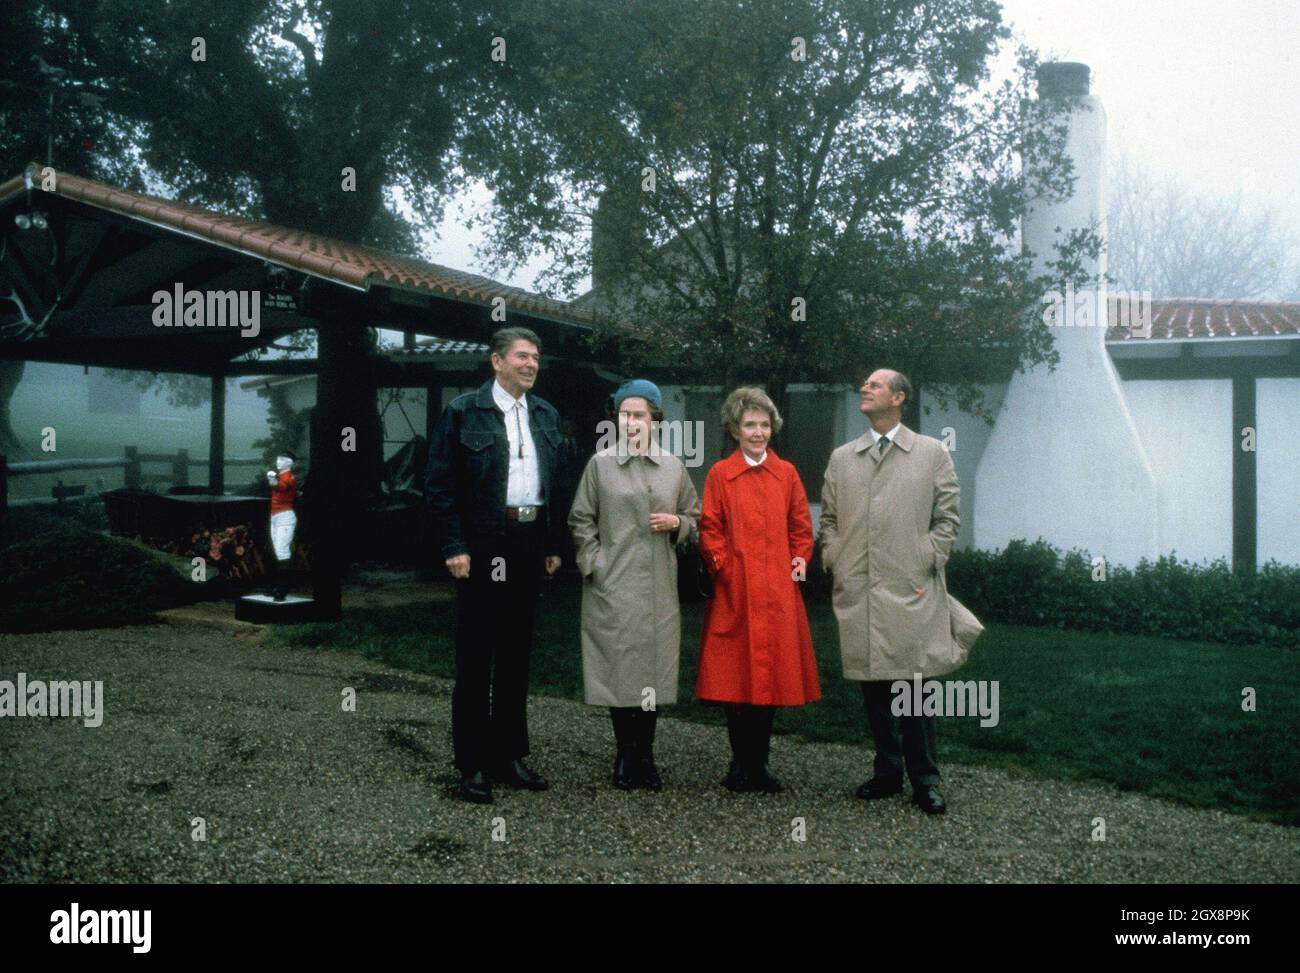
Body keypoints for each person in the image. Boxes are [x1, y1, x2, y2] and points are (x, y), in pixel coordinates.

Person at [424, 326, 565, 804]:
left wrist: (551, 542)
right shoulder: (464, 412)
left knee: (516, 655)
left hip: (529, 542)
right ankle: (471, 765)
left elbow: (556, 487)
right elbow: (439, 485)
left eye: (536, 357)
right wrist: (453, 545)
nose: (531, 364)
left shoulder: (546, 415)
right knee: (475, 657)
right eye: (522, 356)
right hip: (483, 544)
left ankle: (509, 756)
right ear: (496, 361)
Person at [818, 368, 962, 814]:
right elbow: (829, 520)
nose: (864, 387)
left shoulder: (931, 453)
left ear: (898, 397)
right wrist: (835, 557)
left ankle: (925, 778)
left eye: (875, 385)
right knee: (874, 687)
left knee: (914, 687)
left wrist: (927, 556)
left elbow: (948, 519)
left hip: (911, 589)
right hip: (860, 589)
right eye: (863, 383)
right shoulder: (844, 458)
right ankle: (886, 772)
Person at [568, 380, 700, 791]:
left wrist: (678, 524)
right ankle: (625, 756)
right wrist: (594, 563)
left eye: (639, 415)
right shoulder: (600, 465)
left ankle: (647, 757)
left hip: (659, 588)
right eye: (624, 415)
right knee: (619, 672)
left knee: (652, 676)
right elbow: (580, 519)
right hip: (613, 586)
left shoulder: (674, 467)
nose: (631, 422)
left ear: (655, 420)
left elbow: (695, 517)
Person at [696, 387, 821, 793]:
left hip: (779, 594)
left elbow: (801, 527)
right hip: (736, 590)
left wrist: (798, 562)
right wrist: (724, 568)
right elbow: (710, 527)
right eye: (750, 424)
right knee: (737, 677)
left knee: (770, 679)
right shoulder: (720, 474)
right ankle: (739, 762)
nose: (758, 432)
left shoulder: (787, 474)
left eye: (764, 424)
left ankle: (760, 763)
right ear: (734, 429)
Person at [265, 450, 297, 601]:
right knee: (277, 551)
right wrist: (272, 479)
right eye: (277, 458)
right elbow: (276, 486)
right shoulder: (280, 476)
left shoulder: (289, 477)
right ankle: (276, 586)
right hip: (275, 517)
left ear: (289, 462)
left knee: (282, 552)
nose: (278, 461)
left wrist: (272, 478)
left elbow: (281, 487)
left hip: (285, 517)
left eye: (281, 459)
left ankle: (282, 588)